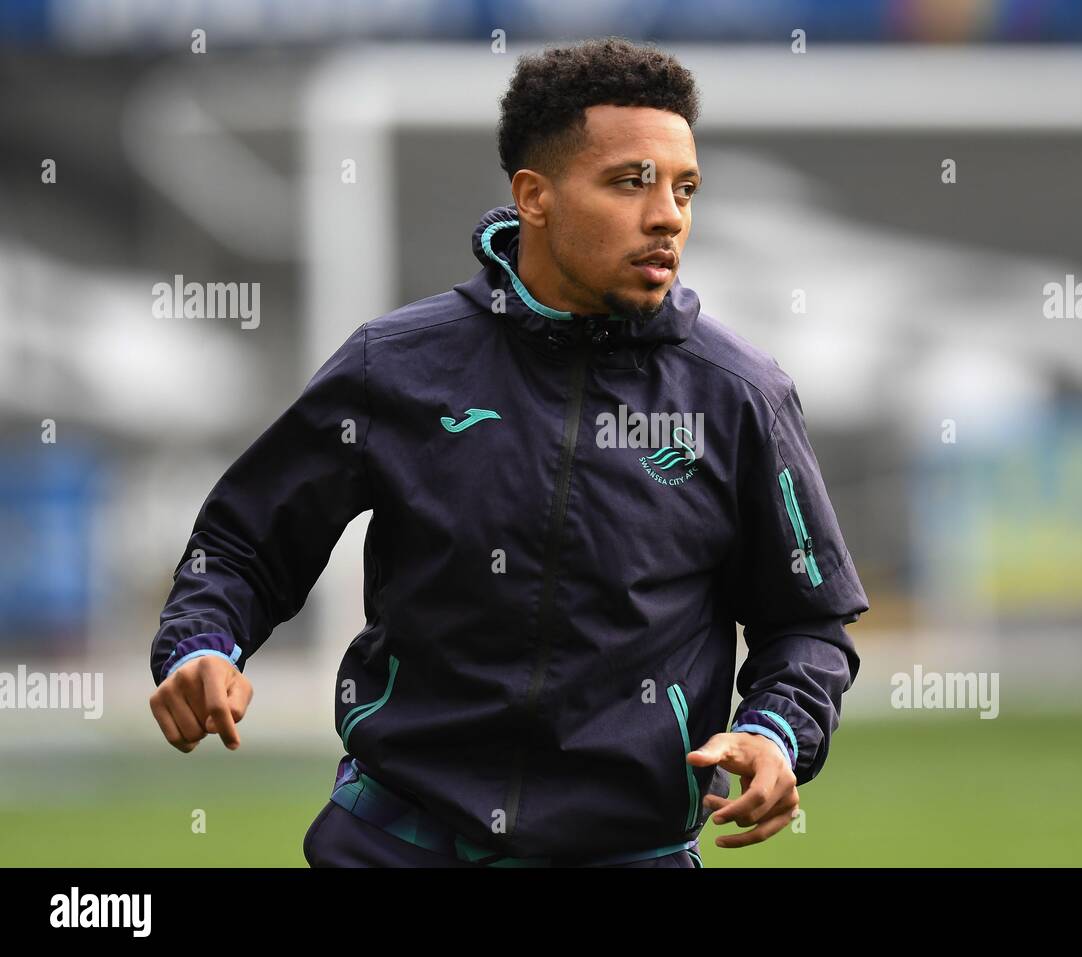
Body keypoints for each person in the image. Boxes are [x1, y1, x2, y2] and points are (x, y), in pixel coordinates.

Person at [147, 36, 869, 868]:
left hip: (628, 854)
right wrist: (202, 646)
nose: (668, 213)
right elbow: (244, 545)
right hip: (392, 842)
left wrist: (775, 733)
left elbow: (809, 622)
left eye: (685, 188)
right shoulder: (399, 363)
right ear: (534, 196)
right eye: (631, 181)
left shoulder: (740, 395)